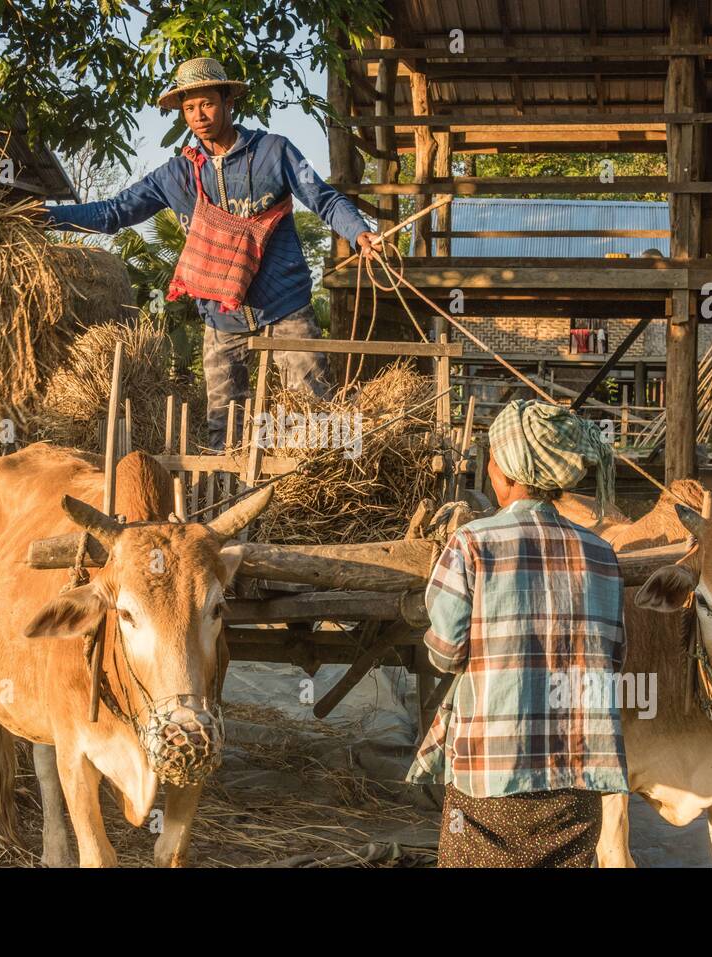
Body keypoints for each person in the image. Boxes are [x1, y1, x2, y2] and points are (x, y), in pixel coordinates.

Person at [39, 57, 381, 450]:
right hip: (221, 317)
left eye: (207, 104)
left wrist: (360, 234)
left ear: (228, 102)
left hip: (285, 306)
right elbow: (112, 213)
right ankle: (231, 498)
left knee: (313, 416)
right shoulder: (176, 175)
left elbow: (323, 199)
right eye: (189, 108)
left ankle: (314, 505)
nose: (199, 115)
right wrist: (46, 216)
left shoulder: (274, 152)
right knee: (223, 429)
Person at [408, 399, 629, 867]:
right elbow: (614, 657)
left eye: (489, 460)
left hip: (491, 779)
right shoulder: (603, 555)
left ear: (505, 475)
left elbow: (445, 655)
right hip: (578, 781)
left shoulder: (471, 543)